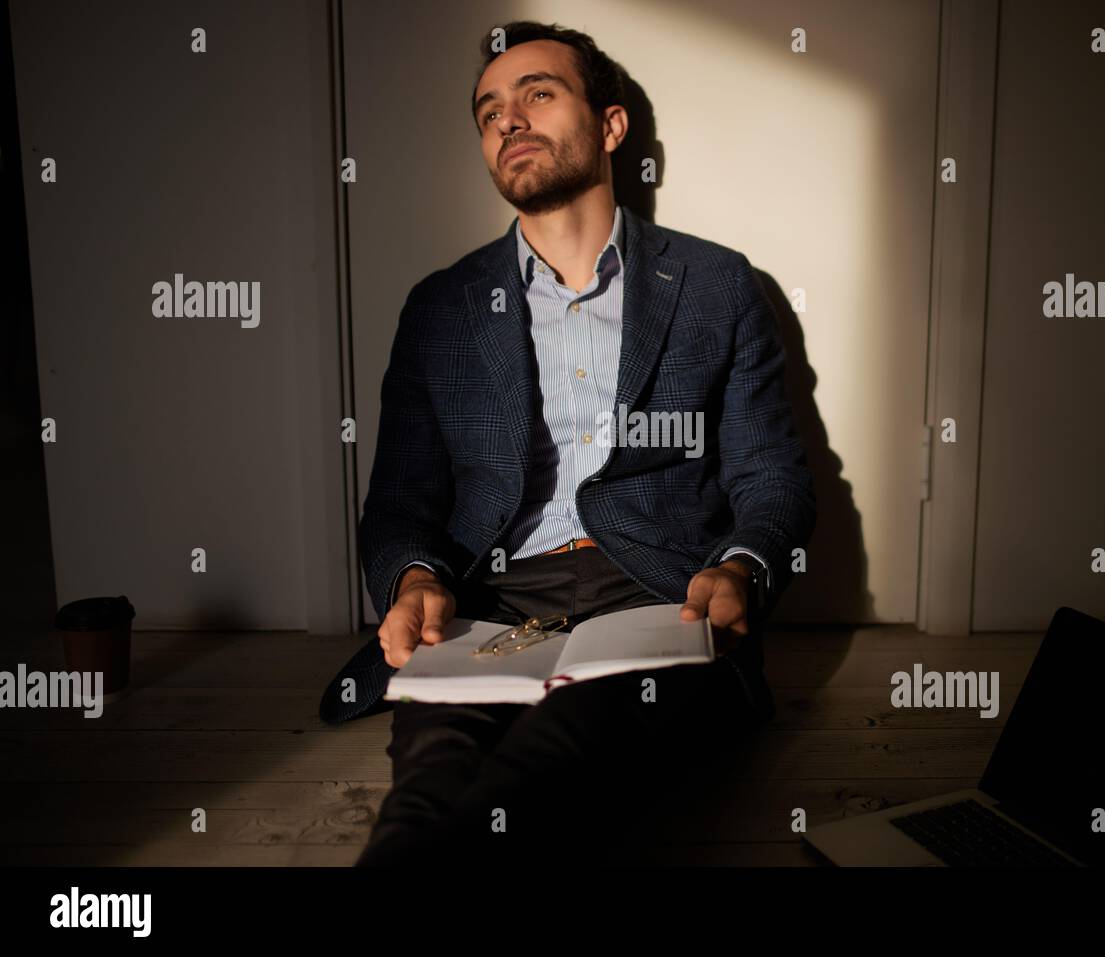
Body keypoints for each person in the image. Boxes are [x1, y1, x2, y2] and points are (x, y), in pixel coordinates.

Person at [321, 20, 816, 865]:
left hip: (657, 592)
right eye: (489, 113)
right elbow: (400, 501)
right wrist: (411, 580)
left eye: (538, 95)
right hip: (491, 604)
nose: (508, 120)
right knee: (427, 781)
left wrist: (738, 569)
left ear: (611, 126)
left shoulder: (716, 286)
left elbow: (773, 474)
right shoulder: (440, 308)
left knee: (551, 760)